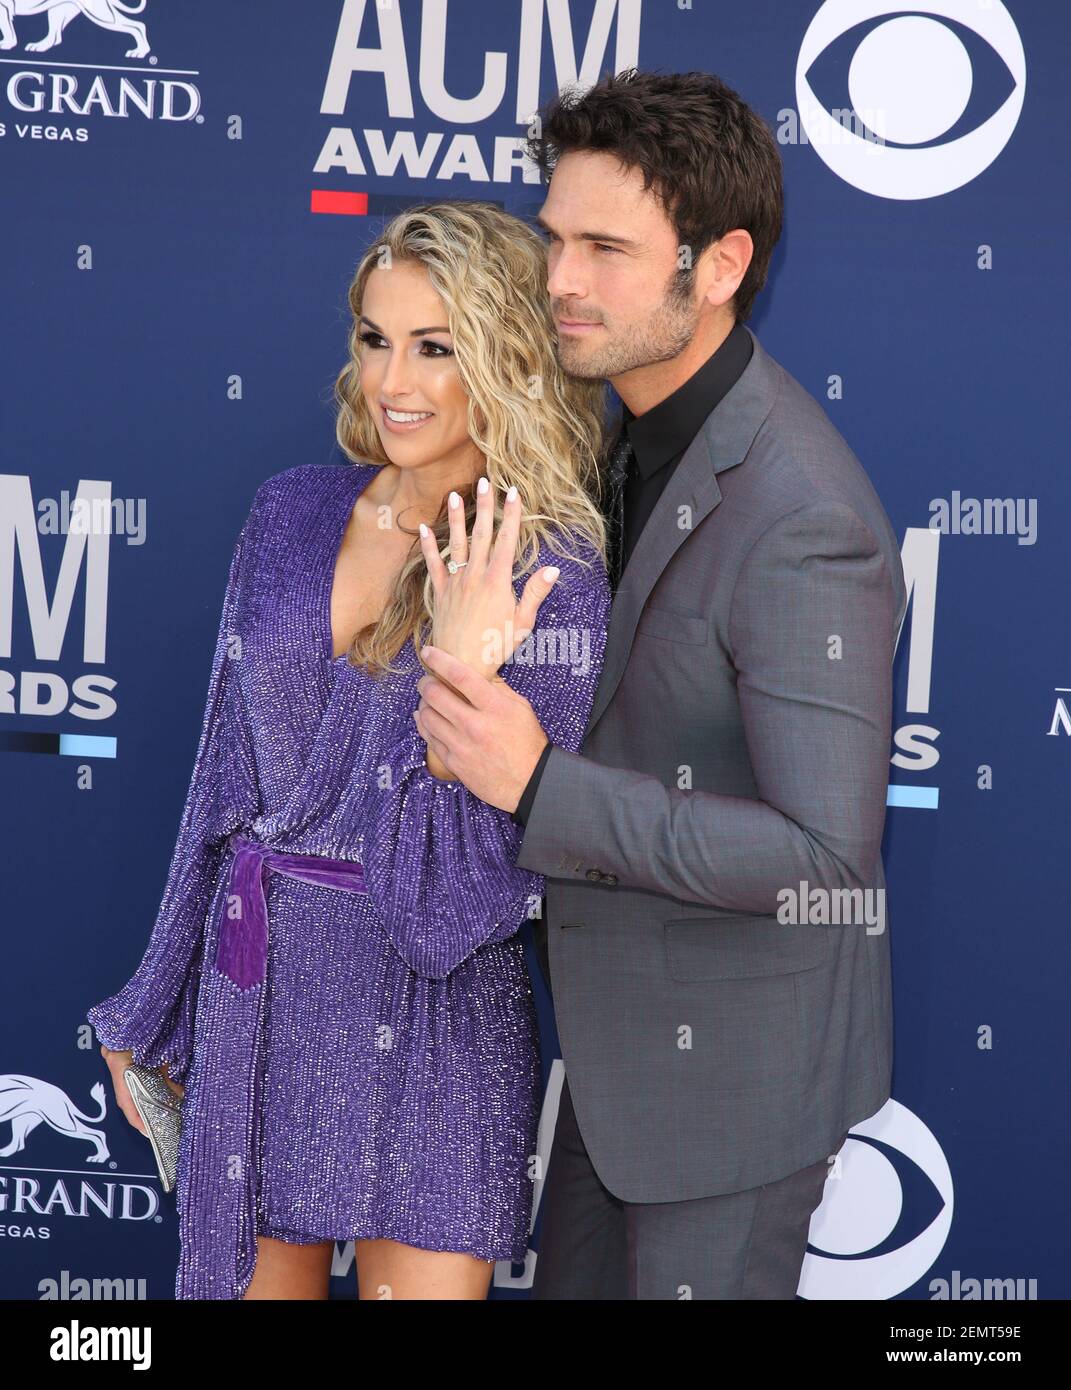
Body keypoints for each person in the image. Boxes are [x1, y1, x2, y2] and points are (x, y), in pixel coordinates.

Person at [413, 69, 909, 1299]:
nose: (561, 280)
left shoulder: (803, 517)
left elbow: (824, 861)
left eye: (606, 249)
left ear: (721, 263)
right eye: (554, 237)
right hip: (616, 1057)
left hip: (733, 1091)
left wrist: (536, 784)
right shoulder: (597, 428)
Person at [85, 200, 612, 1300]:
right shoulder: (290, 513)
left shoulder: (550, 572)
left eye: (437, 346)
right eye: (375, 339)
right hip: (258, 996)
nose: (393, 382)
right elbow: (218, 791)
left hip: (431, 1028)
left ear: (509, 355)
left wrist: (458, 669)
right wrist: (152, 1002)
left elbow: (456, 900)